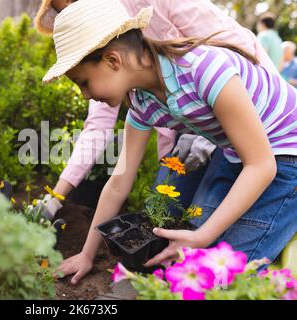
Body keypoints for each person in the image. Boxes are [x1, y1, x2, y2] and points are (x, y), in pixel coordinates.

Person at [43, 0, 297, 284]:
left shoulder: (205, 70)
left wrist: (203, 235)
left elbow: (262, 165)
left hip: (286, 155)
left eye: (83, 82)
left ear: (113, 61)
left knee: (218, 273)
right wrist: (86, 254)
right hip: (235, 154)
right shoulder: (142, 103)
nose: (85, 95)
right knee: (186, 251)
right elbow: (118, 183)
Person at [32, 0, 276, 222]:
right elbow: (98, 125)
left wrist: (211, 130)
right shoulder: (108, 70)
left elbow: (233, 47)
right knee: (164, 215)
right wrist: (55, 196)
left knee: (213, 221)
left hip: (240, 104)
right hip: (183, 125)